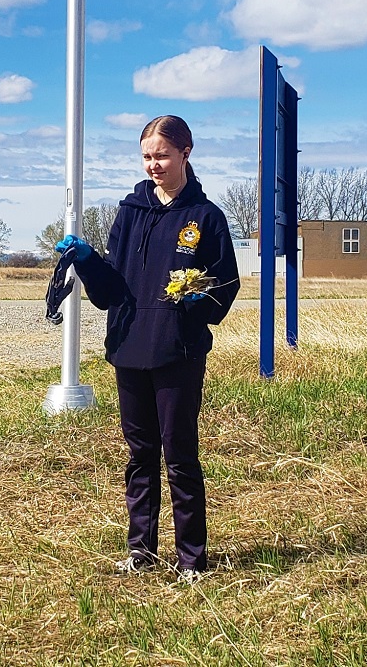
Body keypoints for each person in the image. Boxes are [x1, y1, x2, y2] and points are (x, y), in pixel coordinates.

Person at [57, 115, 240, 582]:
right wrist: (87, 261)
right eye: (146, 157)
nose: (153, 165)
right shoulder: (129, 212)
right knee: (140, 455)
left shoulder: (206, 217)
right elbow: (110, 291)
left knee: (179, 454)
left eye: (161, 155)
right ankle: (141, 551)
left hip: (178, 351)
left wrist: (201, 300)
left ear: (185, 153)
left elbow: (226, 284)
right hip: (129, 347)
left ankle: (191, 560)